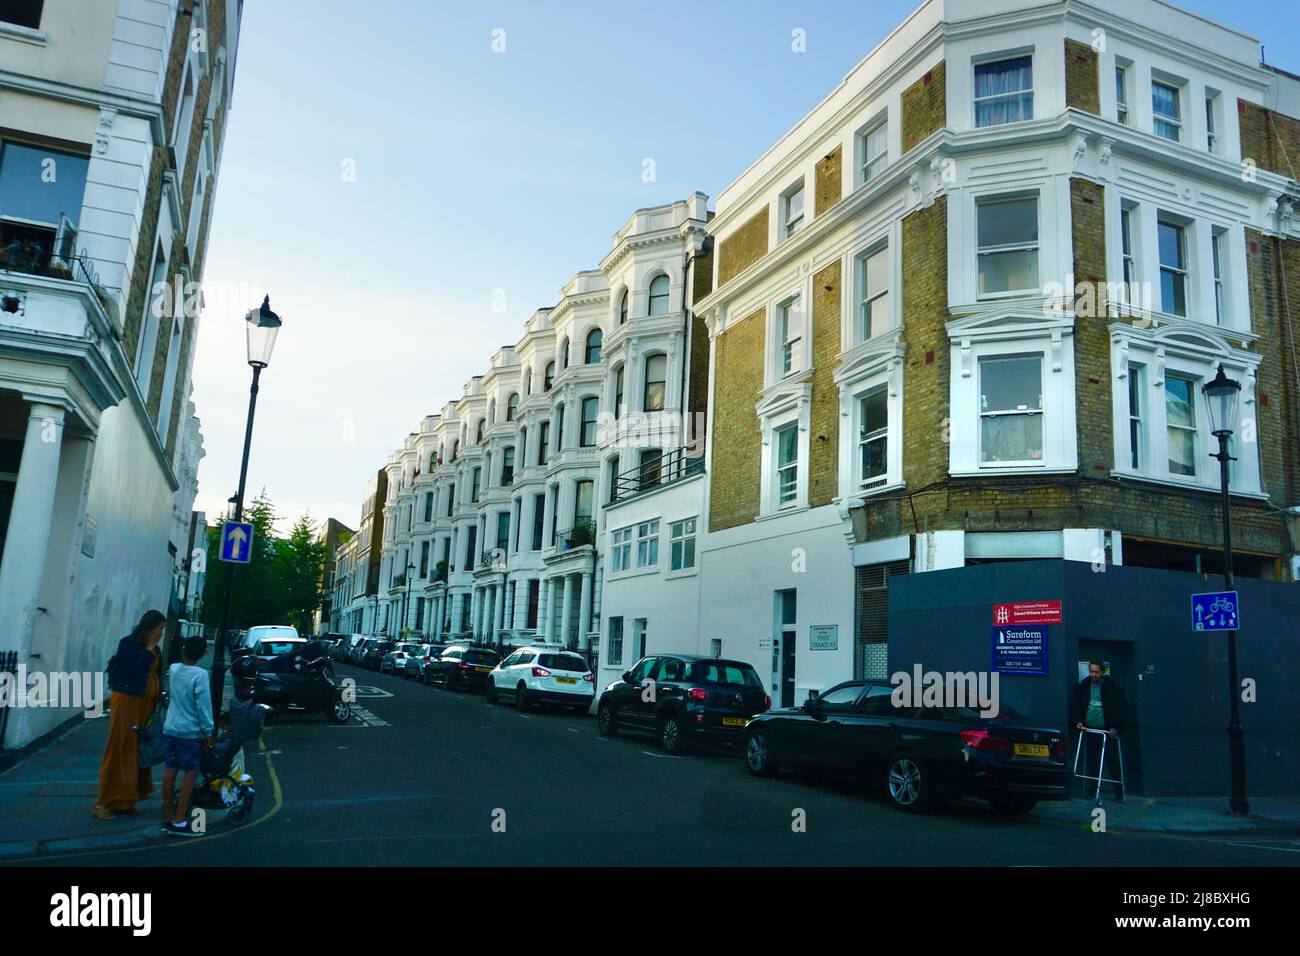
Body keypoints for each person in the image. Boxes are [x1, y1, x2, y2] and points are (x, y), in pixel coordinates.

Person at [94, 609, 165, 820]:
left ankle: (125, 799)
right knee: (120, 748)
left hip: (146, 704)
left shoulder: (157, 649)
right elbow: (134, 670)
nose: (161, 633)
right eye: (159, 628)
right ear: (149, 627)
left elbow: (157, 674)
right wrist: (149, 649)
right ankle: (104, 801)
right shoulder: (129, 644)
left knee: (137, 749)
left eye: (162, 629)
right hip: (128, 701)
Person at [160, 636, 215, 837]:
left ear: (184, 651)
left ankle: (167, 815)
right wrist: (208, 732)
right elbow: (203, 706)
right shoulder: (200, 675)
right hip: (189, 732)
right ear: (203, 654)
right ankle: (180, 819)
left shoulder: (174, 670)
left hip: (170, 728)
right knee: (191, 772)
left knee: (170, 769)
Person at [1073, 661, 1127, 802]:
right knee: (1092, 760)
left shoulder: (1111, 687)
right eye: (1092, 671)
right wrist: (1078, 721)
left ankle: (1119, 792)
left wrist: (1115, 726)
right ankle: (1093, 788)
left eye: (1096, 672)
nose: (1094, 675)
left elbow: (1120, 707)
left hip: (1107, 730)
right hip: (1090, 729)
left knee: (1112, 760)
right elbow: (1076, 703)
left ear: (1102, 672)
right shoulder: (1084, 685)